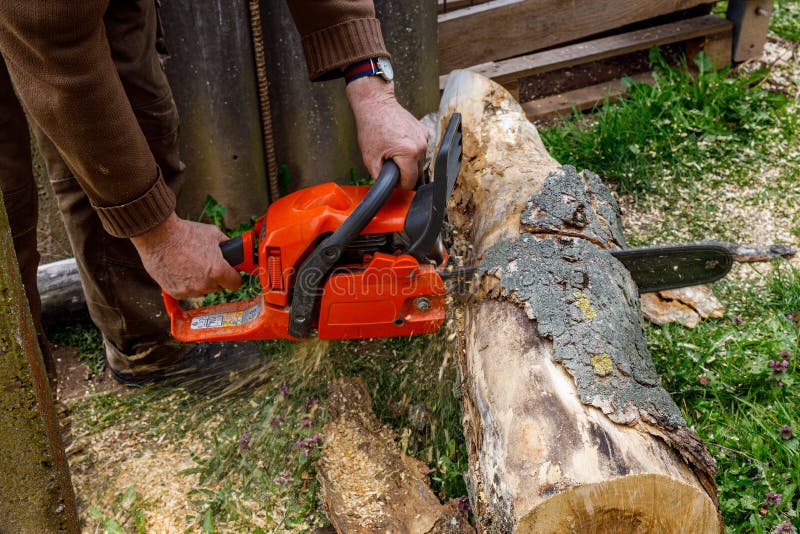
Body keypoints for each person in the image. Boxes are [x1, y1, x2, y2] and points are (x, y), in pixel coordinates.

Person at [0, 1, 428, 384]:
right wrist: (157, 235)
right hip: (42, 17)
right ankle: (21, 396)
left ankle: (147, 341)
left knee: (132, 107)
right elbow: (52, 45)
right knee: (6, 196)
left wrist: (370, 86)